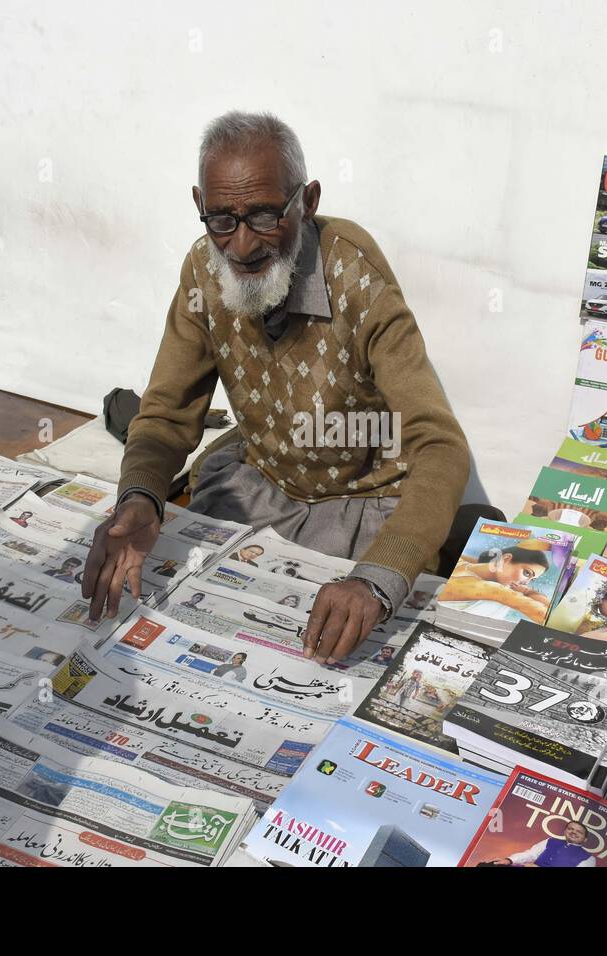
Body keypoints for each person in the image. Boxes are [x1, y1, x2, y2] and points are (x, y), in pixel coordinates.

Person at [84, 112, 470, 670]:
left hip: (366, 502)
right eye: (221, 219)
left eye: (265, 216)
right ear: (200, 203)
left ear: (307, 201)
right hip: (261, 484)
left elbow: (440, 445)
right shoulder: (203, 267)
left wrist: (377, 578)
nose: (240, 246)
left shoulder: (356, 278)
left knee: (339, 652)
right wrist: (140, 498)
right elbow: (166, 414)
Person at [437, 545, 553, 624]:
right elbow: (547, 616)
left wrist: (527, 592)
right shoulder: (491, 588)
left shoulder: (466, 563)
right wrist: (528, 592)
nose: (526, 583)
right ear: (506, 558)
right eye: (527, 573)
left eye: (532, 579)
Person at [490, 822, 596, 867]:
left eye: (579, 832)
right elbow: (531, 854)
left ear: (585, 839)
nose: (573, 832)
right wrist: (510, 860)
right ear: (565, 831)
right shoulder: (551, 841)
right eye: (570, 829)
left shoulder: (589, 858)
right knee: (490, 865)